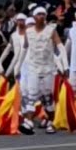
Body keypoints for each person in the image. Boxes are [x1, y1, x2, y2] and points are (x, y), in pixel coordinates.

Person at [20, 7, 64, 135]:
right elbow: (24, 51)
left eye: (43, 14)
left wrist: (64, 66)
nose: (41, 17)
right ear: (34, 17)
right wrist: (17, 67)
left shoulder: (51, 30)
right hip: (33, 68)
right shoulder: (28, 32)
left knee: (47, 96)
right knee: (31, 94)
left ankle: (51, 121)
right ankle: (28, 122)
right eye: (38, 14)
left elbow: (60, 48)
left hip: (48, 68)